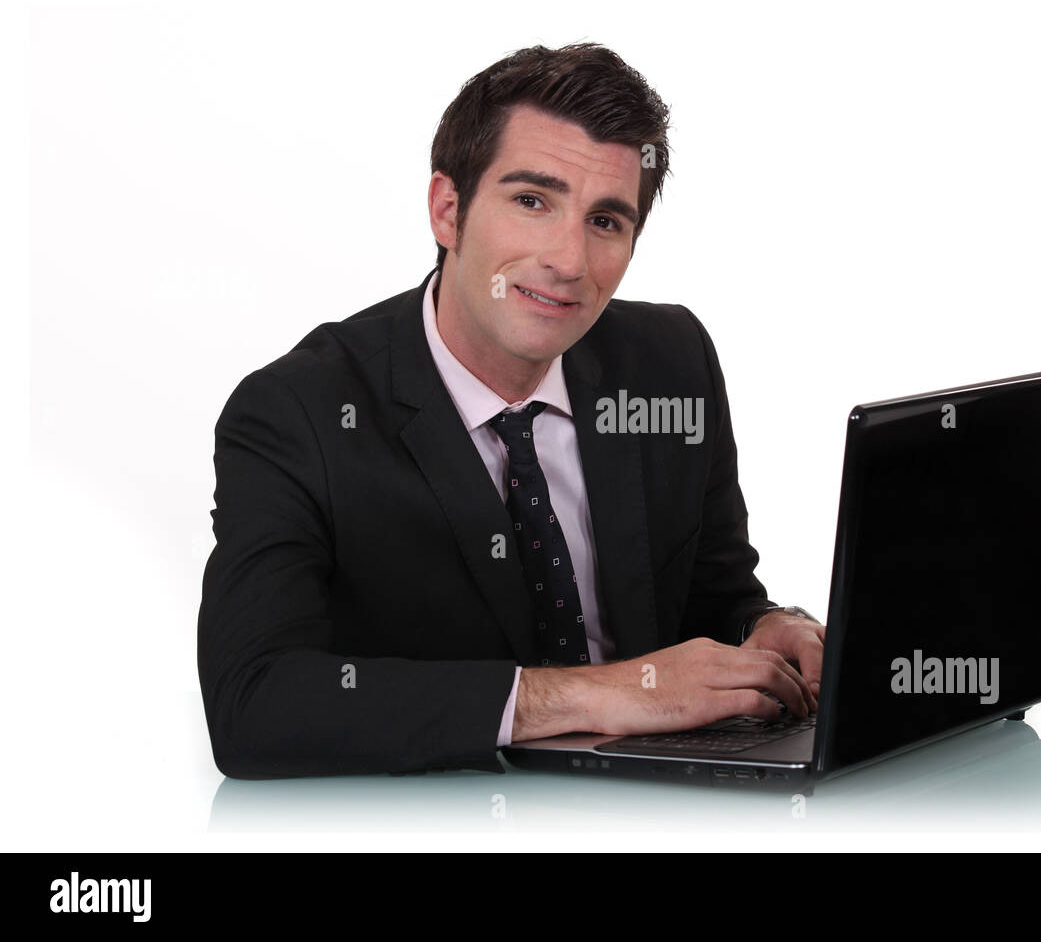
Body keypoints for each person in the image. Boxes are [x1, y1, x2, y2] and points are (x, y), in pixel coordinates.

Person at [198, 43, 825, 780]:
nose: (568, 260)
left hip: (667, 809)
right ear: (447, 209)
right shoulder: (297, 413)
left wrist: (768, 629)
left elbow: (712, 598)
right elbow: (254, 703)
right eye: (533, 201)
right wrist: (597, 696)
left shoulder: (668, 362)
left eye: (606, 222)